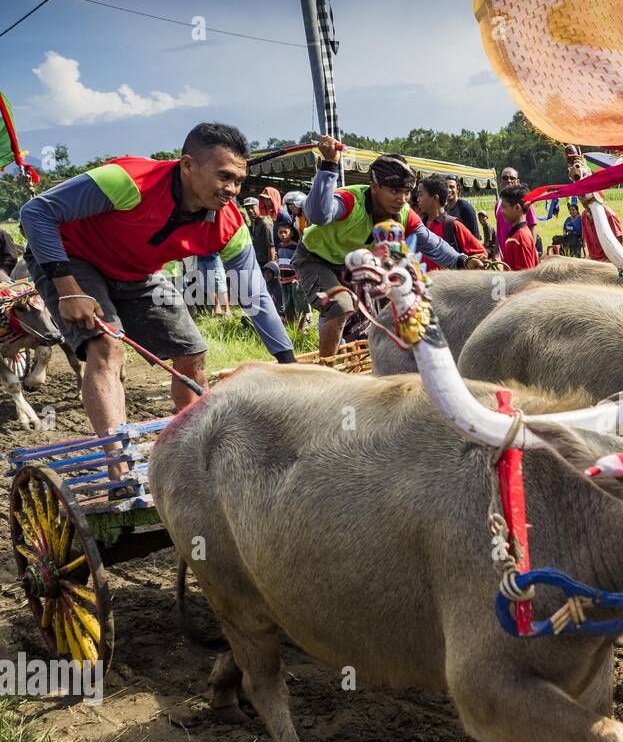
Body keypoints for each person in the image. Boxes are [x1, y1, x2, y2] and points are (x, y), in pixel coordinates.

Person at [18, 121, 296, 477]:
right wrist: (68, 288)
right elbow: (35, 213)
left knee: (192, 352)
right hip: (72, 259)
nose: (232, 190)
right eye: (224, 177)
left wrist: (288, 363)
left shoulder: (228, 225)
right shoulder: (128, 180)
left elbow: (254, 295)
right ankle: (120, 465)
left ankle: (194, 455)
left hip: (137, 271)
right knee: (106, 347)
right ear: (188, 165)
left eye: (239, 181)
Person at [296, 136, 484, 358]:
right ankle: (327, 368)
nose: (402, 199)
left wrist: (462, 260)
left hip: (353, 267)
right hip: (315, 259)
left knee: (374, 316)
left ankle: (368, 361)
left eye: (406, 192)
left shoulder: (404, 214)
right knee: (340, 306)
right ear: (374, 186)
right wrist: (329, 166)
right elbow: (317, 215)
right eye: (394, 191)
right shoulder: (350, 201)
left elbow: (432, 244)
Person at [414, 176, 487, 270]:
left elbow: (481, 253)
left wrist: (465, 263)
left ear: (435, 198)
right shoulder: (419, 226)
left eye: (421, 195)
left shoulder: (452, 225)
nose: (418, 199)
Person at [494, 167, 535, 255]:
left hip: (521, 251)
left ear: (518, 181)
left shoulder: (524, 201)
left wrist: (530, 250)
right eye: (505, 178)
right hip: (505, 254)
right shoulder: (498, 204)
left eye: (512, 178)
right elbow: (499, 229)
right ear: (501, 181)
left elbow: (532, 226)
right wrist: (496, 252)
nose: (508, 181)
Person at [499, 185, 538, 271]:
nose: (502, 211)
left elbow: (524, 276)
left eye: (504, 207)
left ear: (517, 208)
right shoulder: (517, 234)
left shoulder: (520, 238)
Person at [443, 176, 482, 245]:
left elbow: (475, 236)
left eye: (452, 187)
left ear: (457, 189)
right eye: (446, 187)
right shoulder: (445, 209)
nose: (449, 190)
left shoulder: (465, 207)